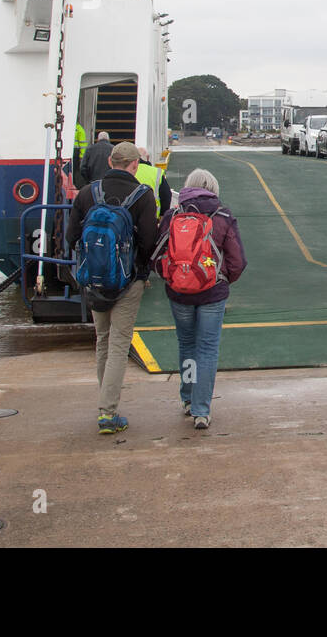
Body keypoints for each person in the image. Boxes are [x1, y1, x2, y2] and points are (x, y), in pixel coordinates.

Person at [67, 141, 159, 434]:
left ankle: (106, 400)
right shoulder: (143, 196)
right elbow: (148, 242)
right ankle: (107, 413)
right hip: (127, 280)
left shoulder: (87, 193)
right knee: (120, 343)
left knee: (102, 340)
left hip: (93, 281)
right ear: (135, 165)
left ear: (110, 161)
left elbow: (71, 237)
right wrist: (140, 272)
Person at [156, 168, 246, 430]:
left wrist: (172, 278)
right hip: (212, 293)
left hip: (179, 292)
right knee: (207, 349)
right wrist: (222, 280)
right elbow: (237, 261)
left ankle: (186, 398)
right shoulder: (223, 216)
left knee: (186, 344)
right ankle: (201, 410)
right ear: (214, 188)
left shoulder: (173, 215)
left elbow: (157, 253)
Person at [135, 146, 173, 215]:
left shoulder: (129, 171)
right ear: (148, 157)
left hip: (130, 217)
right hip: (152, 216)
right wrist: (162, 215)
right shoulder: (157, 172)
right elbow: (166, 196)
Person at [72, 121, 88, 186]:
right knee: (76, 169)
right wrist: (82, 156)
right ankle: (76, 184)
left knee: (73, 169)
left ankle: (75, 183)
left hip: (72, 151)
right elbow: (83, 144)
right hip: (76, 151)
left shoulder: (70, 128)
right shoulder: (79, 129)